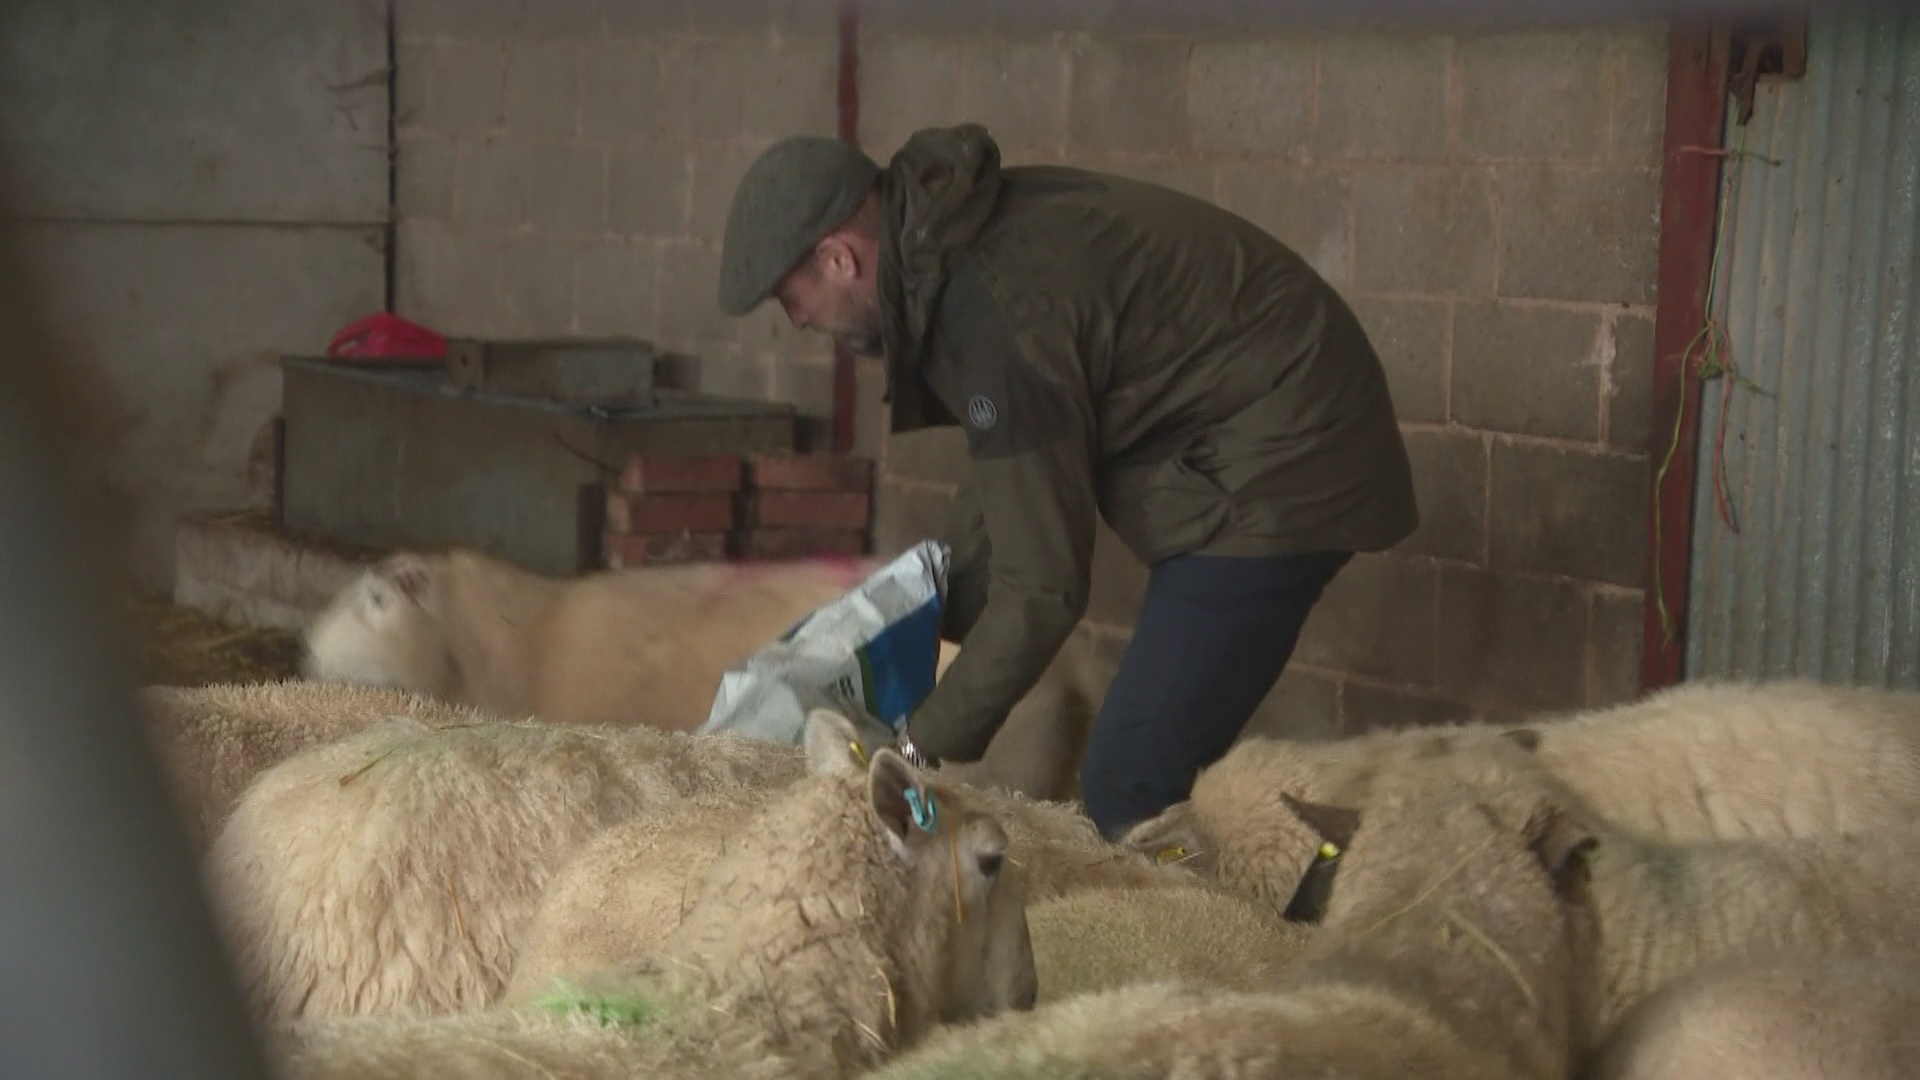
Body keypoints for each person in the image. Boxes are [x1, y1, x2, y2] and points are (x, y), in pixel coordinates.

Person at [716, 123, 1419, 840]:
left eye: (790, 298)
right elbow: (1009, 488)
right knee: (1149, 760)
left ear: (838, 259)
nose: (798, 322)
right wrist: (894, 622)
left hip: (1287, 458)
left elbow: (1043, 585)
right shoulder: (949, 255)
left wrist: (915, 749)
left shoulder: (991, 312)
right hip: (1258, 426)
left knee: (1129, 776)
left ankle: (1284, 925)